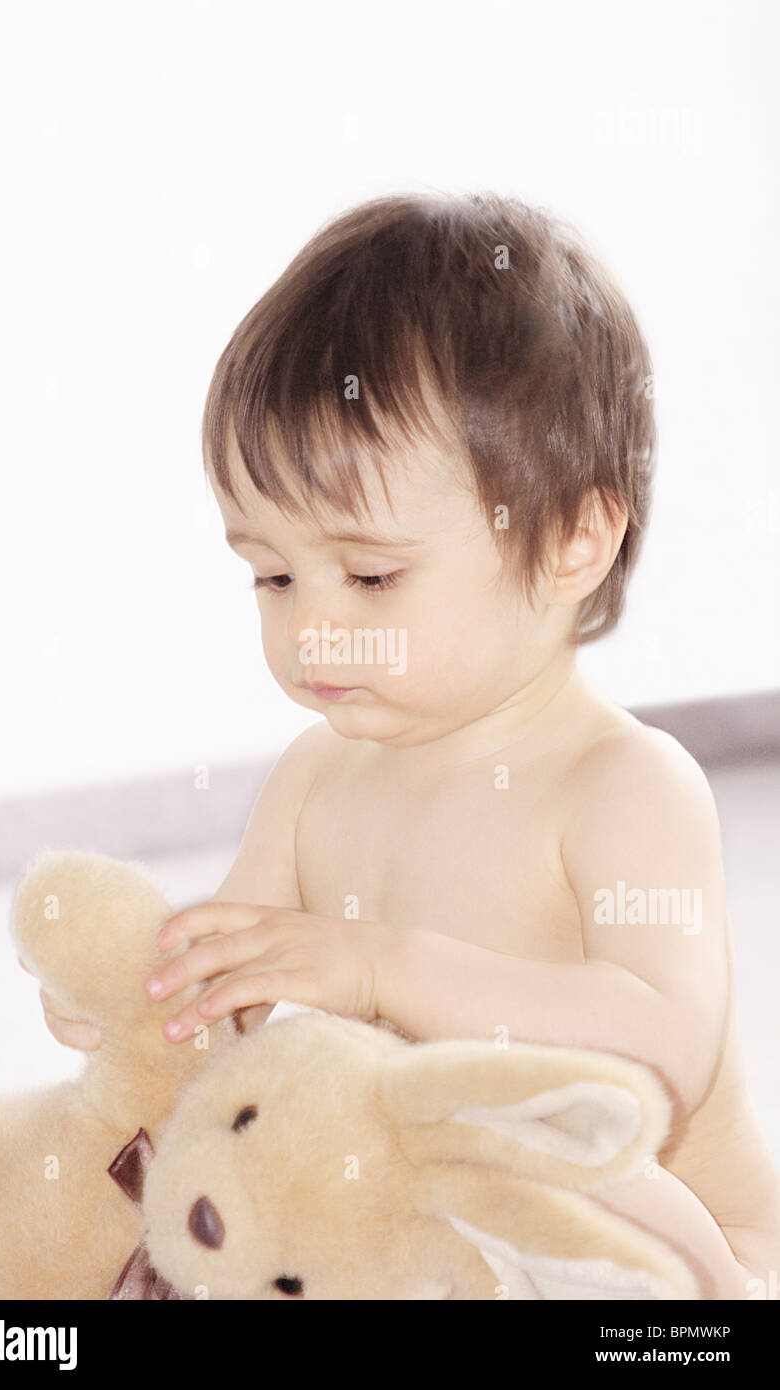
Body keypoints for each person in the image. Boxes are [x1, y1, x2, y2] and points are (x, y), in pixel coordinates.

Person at [40, 191, 780, 1299]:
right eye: (274, 575)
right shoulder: (316, 776)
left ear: (575, 538)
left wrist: (385, 963)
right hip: (420, 1231)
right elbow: (234, 986)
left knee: (573, 1187)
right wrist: (147, 995)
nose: (308, 626)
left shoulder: (621, 785)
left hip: (655, 1264)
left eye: (371, 575)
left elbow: (657, 1048)